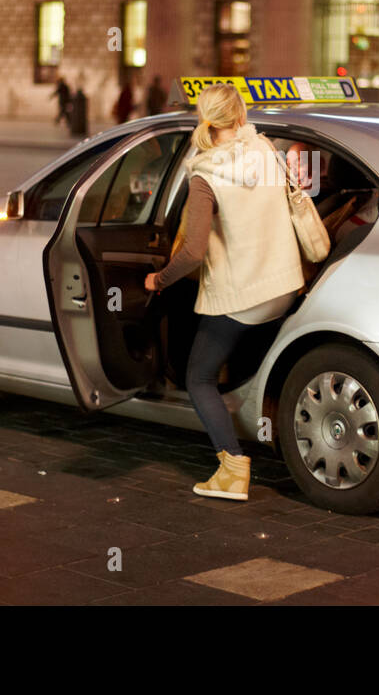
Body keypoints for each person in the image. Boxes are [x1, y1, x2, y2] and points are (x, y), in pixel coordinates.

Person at [143, 84, 305, 501]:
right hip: (284, 287)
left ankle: (232, 469)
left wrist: (159, 280)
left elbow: (193, 253)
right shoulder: (267, 152)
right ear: (240, 117)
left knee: (198, 376)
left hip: (242, 295)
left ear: (207, 119)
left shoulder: (204, 174)